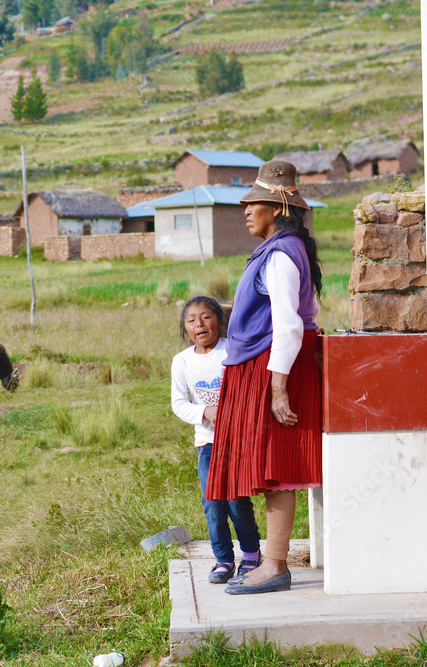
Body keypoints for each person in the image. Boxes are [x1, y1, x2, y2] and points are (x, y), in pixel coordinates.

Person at [205, 160, 323, 595]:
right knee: (273, 470)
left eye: (253, 202)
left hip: (273, 372)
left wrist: (277, 388)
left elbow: (289, 326)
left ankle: (274, 565)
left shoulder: (280, 255)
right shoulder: (281, 250)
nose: (245, 209)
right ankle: (271, 562)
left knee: (278, 471)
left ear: (276, 207)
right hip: (264, 368)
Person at [171, 296, 261, 584]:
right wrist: (206, 411)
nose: (199, 323)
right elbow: (178, 403)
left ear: (221, 323)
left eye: (206, 317)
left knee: (237, 502)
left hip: (238, 442)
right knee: (213, 504)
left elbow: (250, 386)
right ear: (185, 329)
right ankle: (223, 560)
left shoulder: (231, 351)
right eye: (191, 319)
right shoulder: (182, 361)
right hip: (208, 445)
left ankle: (250, 555)